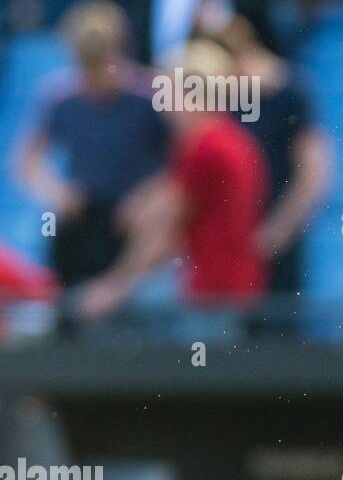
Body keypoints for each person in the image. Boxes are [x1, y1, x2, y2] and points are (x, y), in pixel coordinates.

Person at [76, 39, 268, 342]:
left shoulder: (206, 146)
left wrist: (114, 287)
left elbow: (165, 231)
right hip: (226, 286)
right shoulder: (225, 140)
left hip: (208, 291)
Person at [14, 0, 170, 298]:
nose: (95, 76)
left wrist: (150, 197)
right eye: (87, 64)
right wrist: (58, 193)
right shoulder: (61, 97)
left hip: (137, 225)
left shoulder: (150, 96)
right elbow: (27, 160)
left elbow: (183, 160)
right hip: (84, 220)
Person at [195, 5, 332, 332]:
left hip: (272, 243)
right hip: (231, 246)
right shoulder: (222, 98)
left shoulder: (288, 93)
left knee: (274, 339)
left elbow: (315, 175)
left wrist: (274, 234)